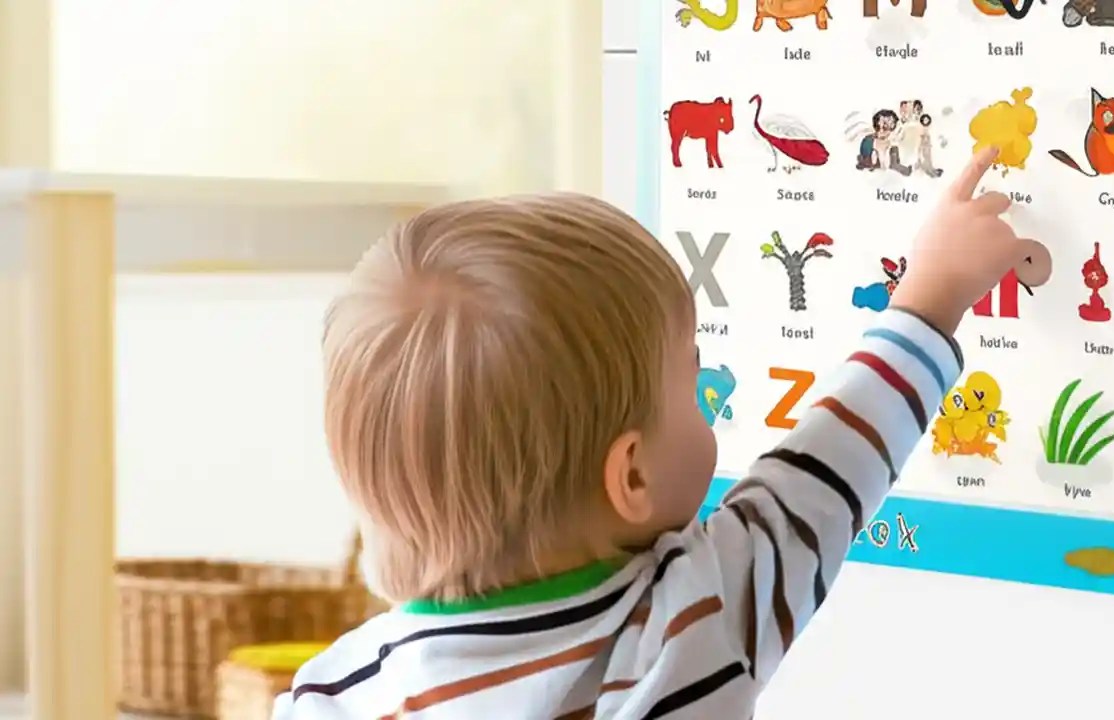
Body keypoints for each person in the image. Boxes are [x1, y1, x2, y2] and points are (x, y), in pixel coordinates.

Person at [273, 146, 1045, 719]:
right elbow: (828, 469)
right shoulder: (687, 618)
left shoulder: (331, 696)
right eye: (692, 379)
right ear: (632, 476)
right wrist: (933, 296)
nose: (706, 397)